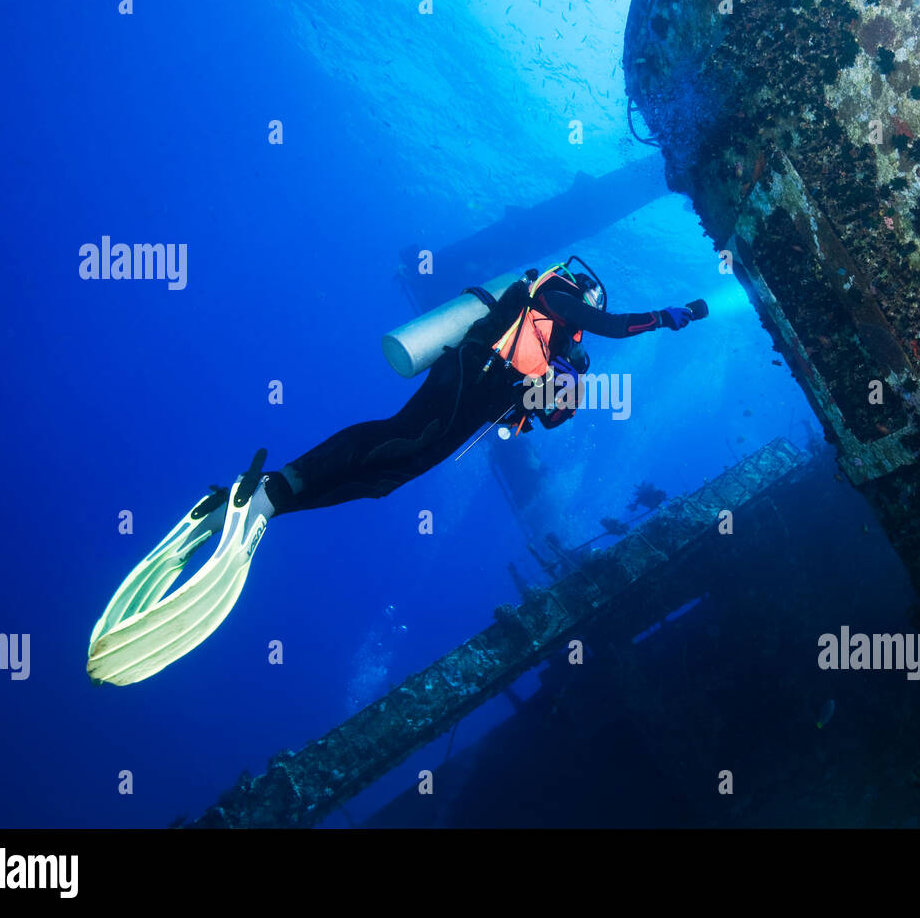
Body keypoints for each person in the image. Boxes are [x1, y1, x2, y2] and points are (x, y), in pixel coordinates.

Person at [87, 261, 702, 685]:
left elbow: (540, 413)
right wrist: (668, 316)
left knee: (388, 478)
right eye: (591, 308)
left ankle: (260, 506)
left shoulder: (555, 336)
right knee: (403, 435)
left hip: (484, 398)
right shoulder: (556, 295)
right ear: (585, 293)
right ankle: (277, 483)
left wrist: (561, 388)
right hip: (468, 373)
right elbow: (615, 326)